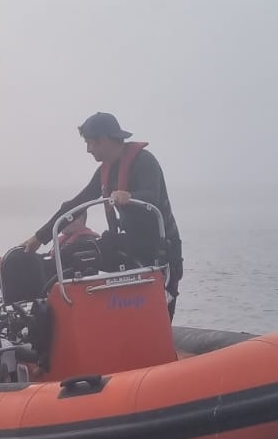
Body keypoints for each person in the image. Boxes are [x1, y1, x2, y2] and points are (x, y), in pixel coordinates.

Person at [22, 111, 183, 315]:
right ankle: (55, 313)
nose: (88, 149)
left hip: (161, 249)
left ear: (105, 139)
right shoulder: (104, 172)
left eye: (91, 143)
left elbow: (152, 196)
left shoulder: (145, 161)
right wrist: (39, 237)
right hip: (128, 244)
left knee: (162, 312)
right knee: (73, 255)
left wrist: (130, 196)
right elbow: (76, 204)